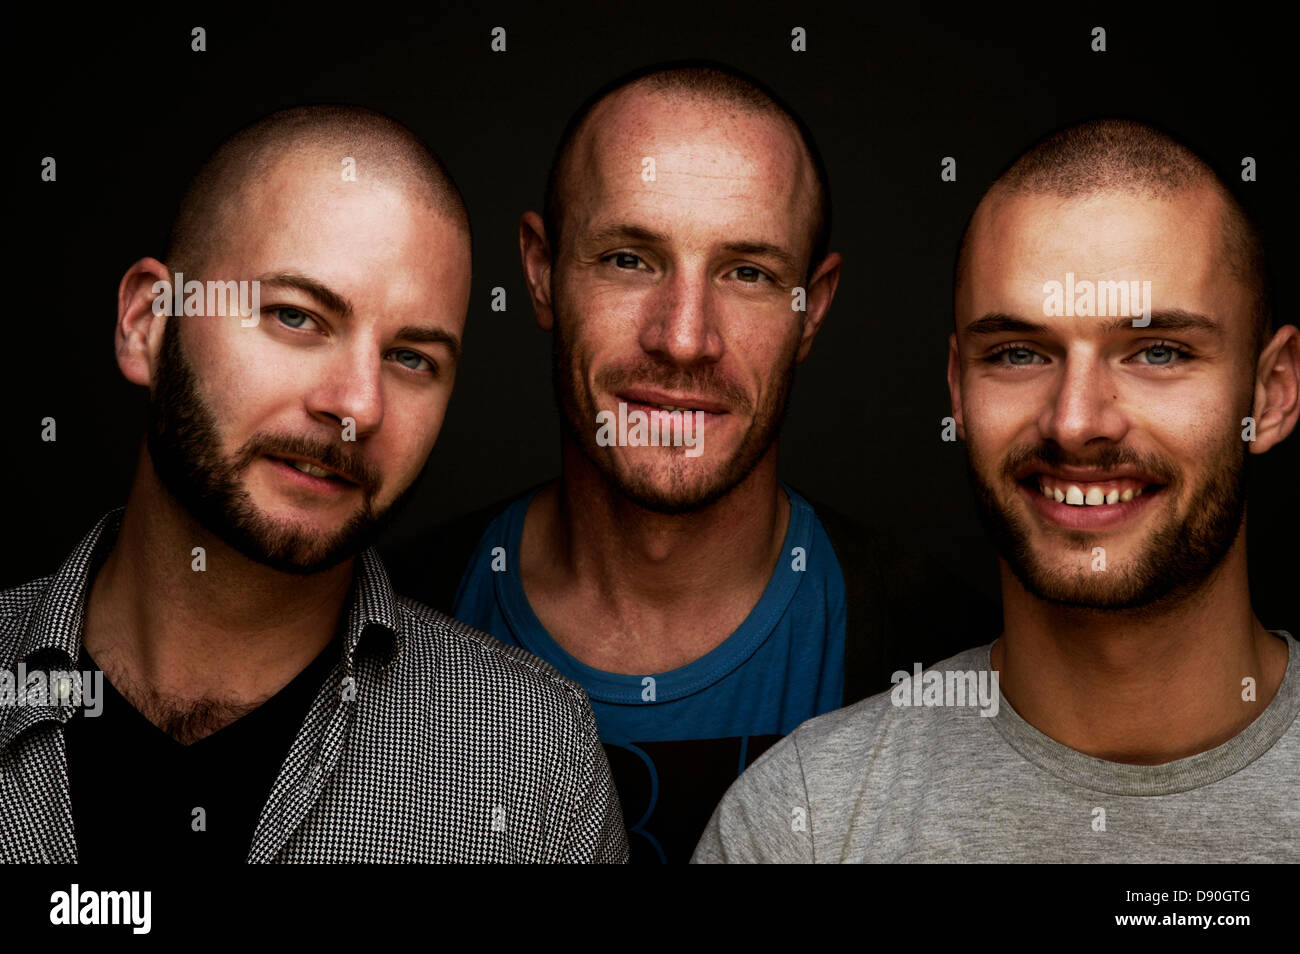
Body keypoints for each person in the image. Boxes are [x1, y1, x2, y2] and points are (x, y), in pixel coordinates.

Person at [385, 63, 996, 863]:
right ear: (539, 271)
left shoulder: (949, 659)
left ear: (813, 309)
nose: (682, 337)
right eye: (628, 260)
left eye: (748, 274)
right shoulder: (386, 620)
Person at [0, 105, 627, 864]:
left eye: (412, 359)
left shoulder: (532, 761)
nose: (358, 405)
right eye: (297, 318)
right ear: (148, 322)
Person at [693, 118, 1299, 863]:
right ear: (957, 388)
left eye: (1158, 352)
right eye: (1018, 354)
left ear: (1270, 394)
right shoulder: (805, 822)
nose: (1076, 423)